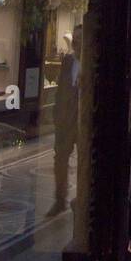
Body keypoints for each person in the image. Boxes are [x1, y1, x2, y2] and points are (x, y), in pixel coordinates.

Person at [48, 24, 82, 217]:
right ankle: (60, 200)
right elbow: (61, 89)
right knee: (60, 159)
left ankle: (83, 201)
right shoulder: (68, 60)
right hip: (65, 120)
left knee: (84, 163)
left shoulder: (92, 61)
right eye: (75, 39)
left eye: (79, 39)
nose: (76, 43)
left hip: (83, 122)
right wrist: (56, 114)